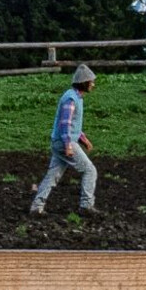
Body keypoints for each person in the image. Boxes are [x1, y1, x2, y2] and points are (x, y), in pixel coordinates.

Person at [32, 65, 99, 214]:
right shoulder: (71, 99)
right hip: (64, 142)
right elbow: (65, 123)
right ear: (84, 82)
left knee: (53, 175)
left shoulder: (76, 97)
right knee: (90, 170)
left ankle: (37, 207)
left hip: (60, 142)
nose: (93, 85)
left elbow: (73, 123)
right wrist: (68, 144)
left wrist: (83, 139)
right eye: (91, 82)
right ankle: (86, 206)